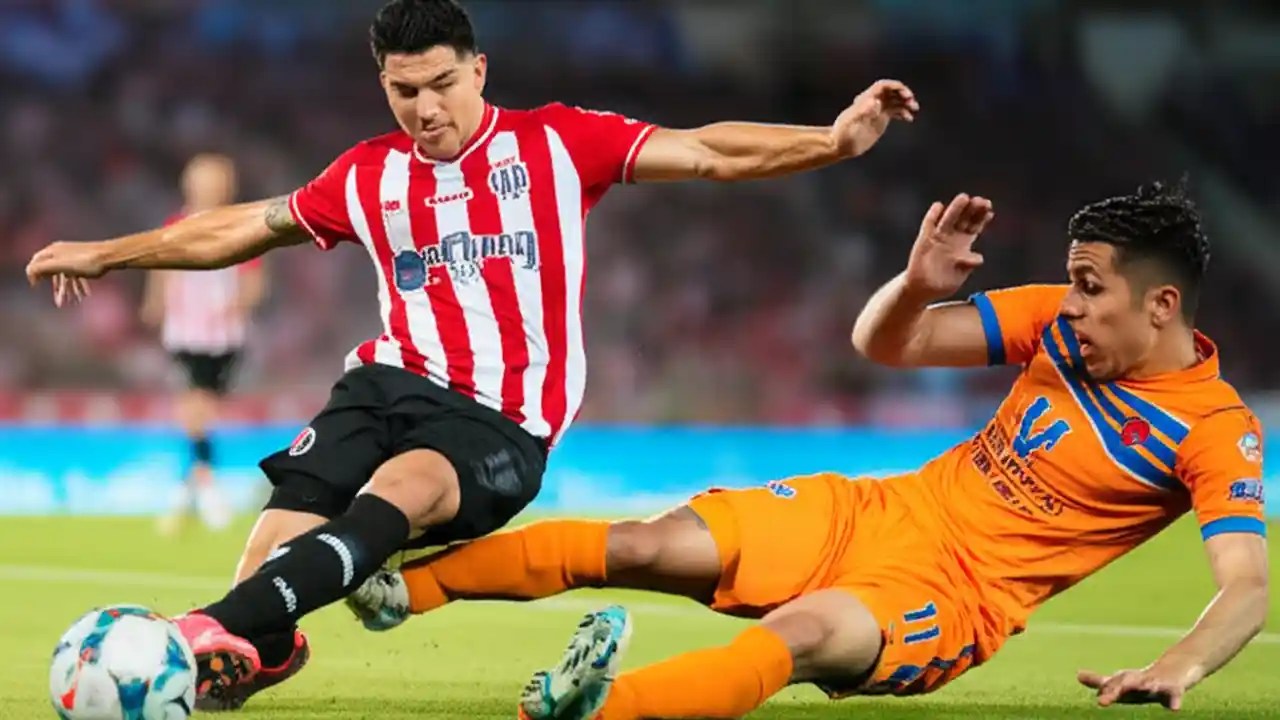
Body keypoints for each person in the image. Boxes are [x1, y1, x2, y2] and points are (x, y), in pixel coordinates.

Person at [23, 0, 919, 710]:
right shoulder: (368, 175)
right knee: (270, 553)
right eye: (403, 90)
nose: (425, 108)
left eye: (442, 84)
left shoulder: (557, 143)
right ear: (384, 84)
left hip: (499, 417)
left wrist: (831, 142)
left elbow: (711, 152)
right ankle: (259, 646)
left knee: (399, 494)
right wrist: (109, 252)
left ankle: (194, 634)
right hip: (382, 383)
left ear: (478, 70)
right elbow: (239, 227)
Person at [345, 184, 1269, 719]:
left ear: (1160, 307)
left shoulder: (1214, 430)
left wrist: (1180, 662)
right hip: (882, 508)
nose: (1070, 302)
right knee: (647, 544)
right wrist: (913, 286)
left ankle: (595, 708)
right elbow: (889, 344)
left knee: (802, 636)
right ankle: (404, 590)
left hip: (954, 596)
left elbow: (1248, 582)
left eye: (1089, 287)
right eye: (1071, 282)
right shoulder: (1055, 324)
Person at [142, 154, 266, 535]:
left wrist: (242, 302)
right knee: (193, 408)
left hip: (224, 334)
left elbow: (252, 274)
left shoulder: (236, 224)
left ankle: (191, 485)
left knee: (203, 410)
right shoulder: (176, 225)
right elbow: (160, 265)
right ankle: (205, 490)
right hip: (185, 331)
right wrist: (154, 302)